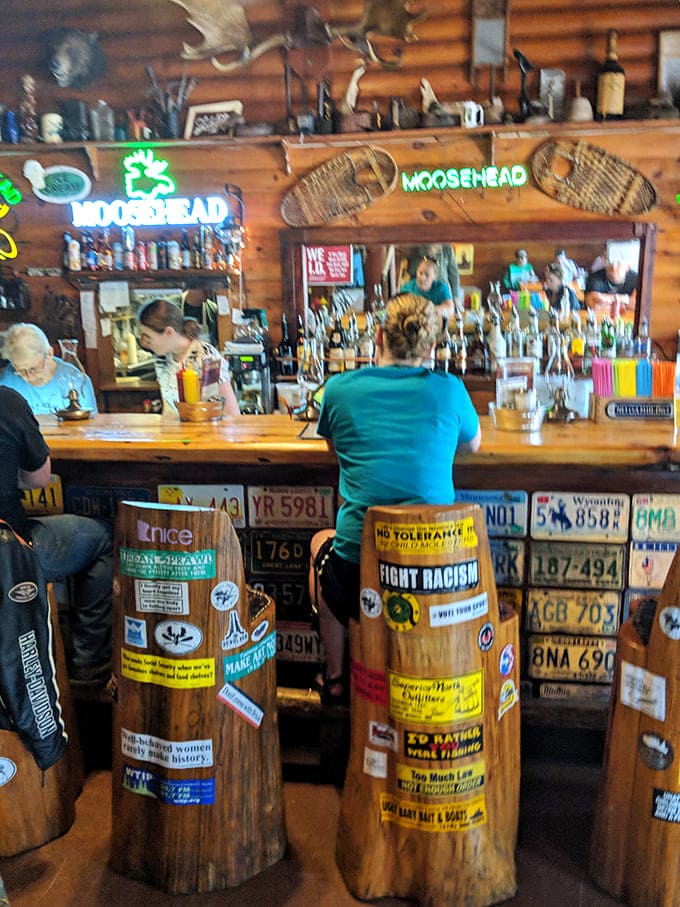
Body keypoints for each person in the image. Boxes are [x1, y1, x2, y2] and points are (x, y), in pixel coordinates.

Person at [308, 293, 481, 703]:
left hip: (360, 576)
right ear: (433, 348)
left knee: (320, 543)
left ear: (379, 336)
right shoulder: (450, 390)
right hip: (438, 574)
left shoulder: (339, 389)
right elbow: (473, 445)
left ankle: (335, 679)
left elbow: (335, 447)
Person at [0, 387, 112, 689]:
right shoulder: (7, 401)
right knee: (102, 537)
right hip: (10, 555)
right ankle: (89, 672)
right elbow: (39, 478)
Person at [137, 298, 240, 416]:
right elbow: (169, 409)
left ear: (169, 332)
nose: (144, 342)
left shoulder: (205, 356)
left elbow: (231, 414)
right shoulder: (162, 359)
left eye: (148, 337)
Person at [0, 323, 98, 415]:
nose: (28, 377)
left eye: (34, 369)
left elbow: (89, 427)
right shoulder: (6, 382)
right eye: (21, 371)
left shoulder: (75, 380)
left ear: (50, 354)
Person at [585, 253, 638, 319]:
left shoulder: (635, 278)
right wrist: (625, 300)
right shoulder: (595, 278)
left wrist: (609, 299)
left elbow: (636, 305)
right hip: (601, 320)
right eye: (610, 262)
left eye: (619, 263)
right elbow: (594, 306)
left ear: (628, 267)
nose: (614, 266)